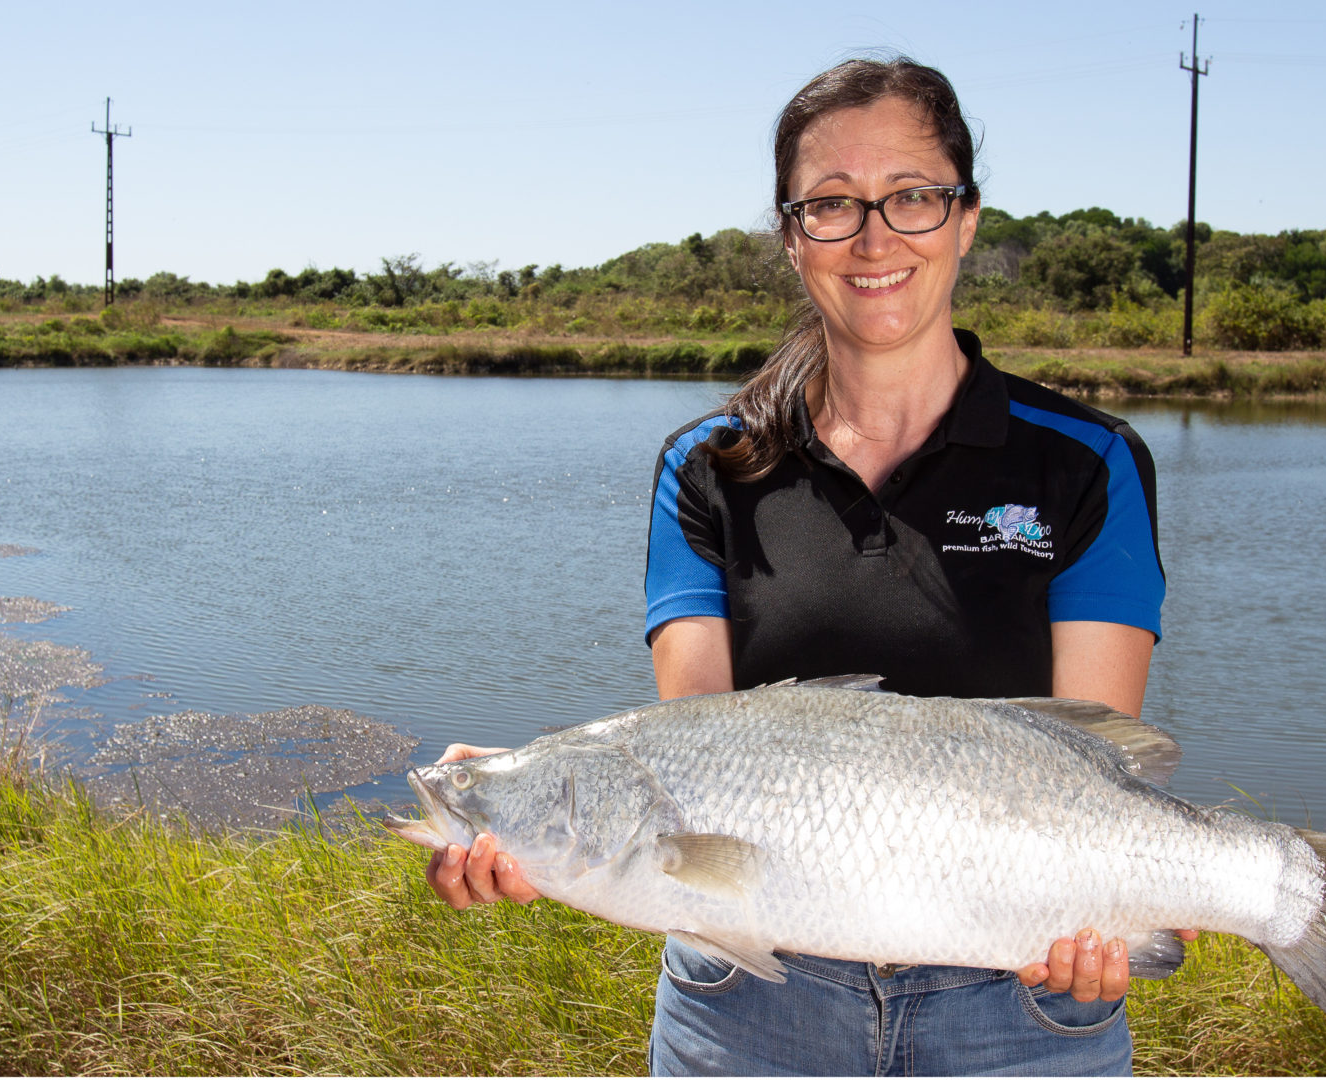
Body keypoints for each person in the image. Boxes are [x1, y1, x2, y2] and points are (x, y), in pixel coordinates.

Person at [427, 56, 1180, 1076]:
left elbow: (1101, 759)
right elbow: (695, 749)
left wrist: (1104, 931)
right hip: (750, 1003)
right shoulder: (707, 464)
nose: (875, 238)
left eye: (912, 197)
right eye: (831, 205)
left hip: (1018, 1001)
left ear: (966, 218)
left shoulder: (1087, 462)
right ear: (790, 237)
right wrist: (524, 816)